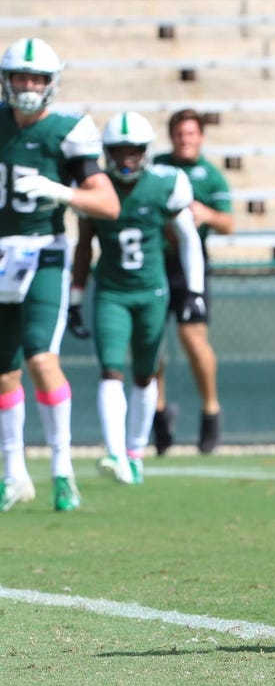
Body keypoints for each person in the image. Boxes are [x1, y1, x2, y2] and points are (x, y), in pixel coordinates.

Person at [0, 37, 119, 512]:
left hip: (44, 252)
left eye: (37, 78)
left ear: (51, 84)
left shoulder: (67, 132)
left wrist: (58, 190)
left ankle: (62, 471)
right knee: (3, 372)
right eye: (20, 77)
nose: (28, 86)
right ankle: (13, 474)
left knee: (40, 358)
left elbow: (107, 203)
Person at [71, 112, 206, 485]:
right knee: (111, 370)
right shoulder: (96, 187)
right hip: (111, 292)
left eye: (134, 151)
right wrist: (75, 298)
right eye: (119, 152)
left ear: (146, 152)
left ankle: (134, 451)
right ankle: (115, 453)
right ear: (107, 153)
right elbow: (84, 247)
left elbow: (188, 238)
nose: (127, 159)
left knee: (145, 375)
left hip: (152, 292)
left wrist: (194, 290)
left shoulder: (165, 183)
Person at [151, 108, 233, 455]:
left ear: (200, 136)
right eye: (179, 134)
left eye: (191, 133)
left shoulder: (210, 176)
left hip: (191, 267)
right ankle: (158, 413)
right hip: (154, 261)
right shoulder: (156, 166)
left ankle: (210, 409)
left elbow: (228, 223)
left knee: (192, 336)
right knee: (150, 341)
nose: (185, 140)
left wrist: (205, 213)